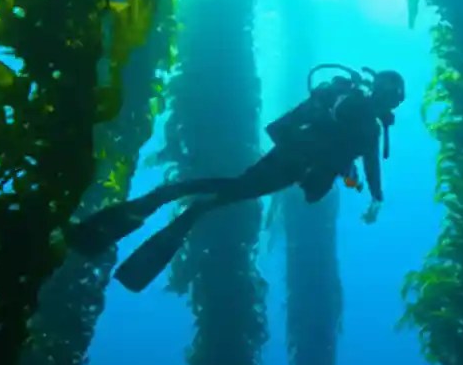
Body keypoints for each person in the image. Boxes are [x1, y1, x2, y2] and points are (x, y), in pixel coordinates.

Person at [65, 64, 406, 292]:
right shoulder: (357, 114)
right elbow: (293, 131)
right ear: (378, 91)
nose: (388, 102)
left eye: (394, 98)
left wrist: (371, 192)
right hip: (288, 165)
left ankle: (150, 209)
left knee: (223, 195)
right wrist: (368, 191)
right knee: (221, 195)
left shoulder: (363, 124)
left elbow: (366, 162)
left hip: (291, 166)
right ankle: (157, 202)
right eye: (390, 96)